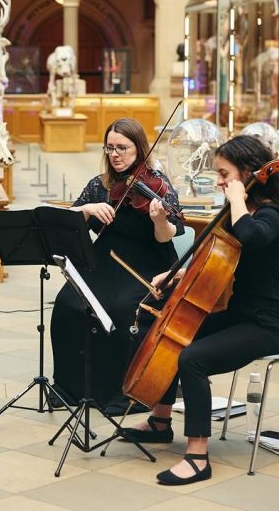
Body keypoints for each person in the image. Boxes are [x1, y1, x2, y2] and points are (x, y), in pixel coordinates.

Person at [121, 134, 279, 486]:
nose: (219, 181)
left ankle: (198, 457)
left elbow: (251, 237)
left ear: (248, 172)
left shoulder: (271, 215)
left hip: (270, 325)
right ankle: (160, 422)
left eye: (224, 174)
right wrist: (177, 274)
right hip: (242, 315)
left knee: (194, 358)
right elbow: (222, 258)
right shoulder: (243, 213)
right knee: (175, 333)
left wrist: (236, 198)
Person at [50, 117, 184, 414]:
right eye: (110, 148)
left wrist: (159, 219)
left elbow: (166, 237)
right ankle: (73, 389)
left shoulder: (158, 185)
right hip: (106, 259)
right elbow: (70, 225)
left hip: (150, 262)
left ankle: (125, 391)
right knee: (67, 303)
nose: (115, 154)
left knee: (124, 308)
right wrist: (85, 210)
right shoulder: (100, 186)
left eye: (123, 148)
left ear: (139, 149)